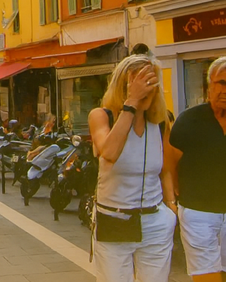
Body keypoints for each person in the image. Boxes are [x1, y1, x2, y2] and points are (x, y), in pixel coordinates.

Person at [168, 57, 226, 282]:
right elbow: (170, 164)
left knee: (224, 271)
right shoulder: (189, 120)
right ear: (210, 85)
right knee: (206, 274)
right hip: (198, 210)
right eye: (222, 83)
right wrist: (174, 198)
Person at [88, 55, 177, 282]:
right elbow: (109, 153)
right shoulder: (101, 116)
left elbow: (165, 169)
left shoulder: (160, 122)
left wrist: (172, 209)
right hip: (115, 219)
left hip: (155, 220)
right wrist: (131, 104)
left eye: (151, 83)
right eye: (139, 83)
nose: (146, 90)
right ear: (123, 86)